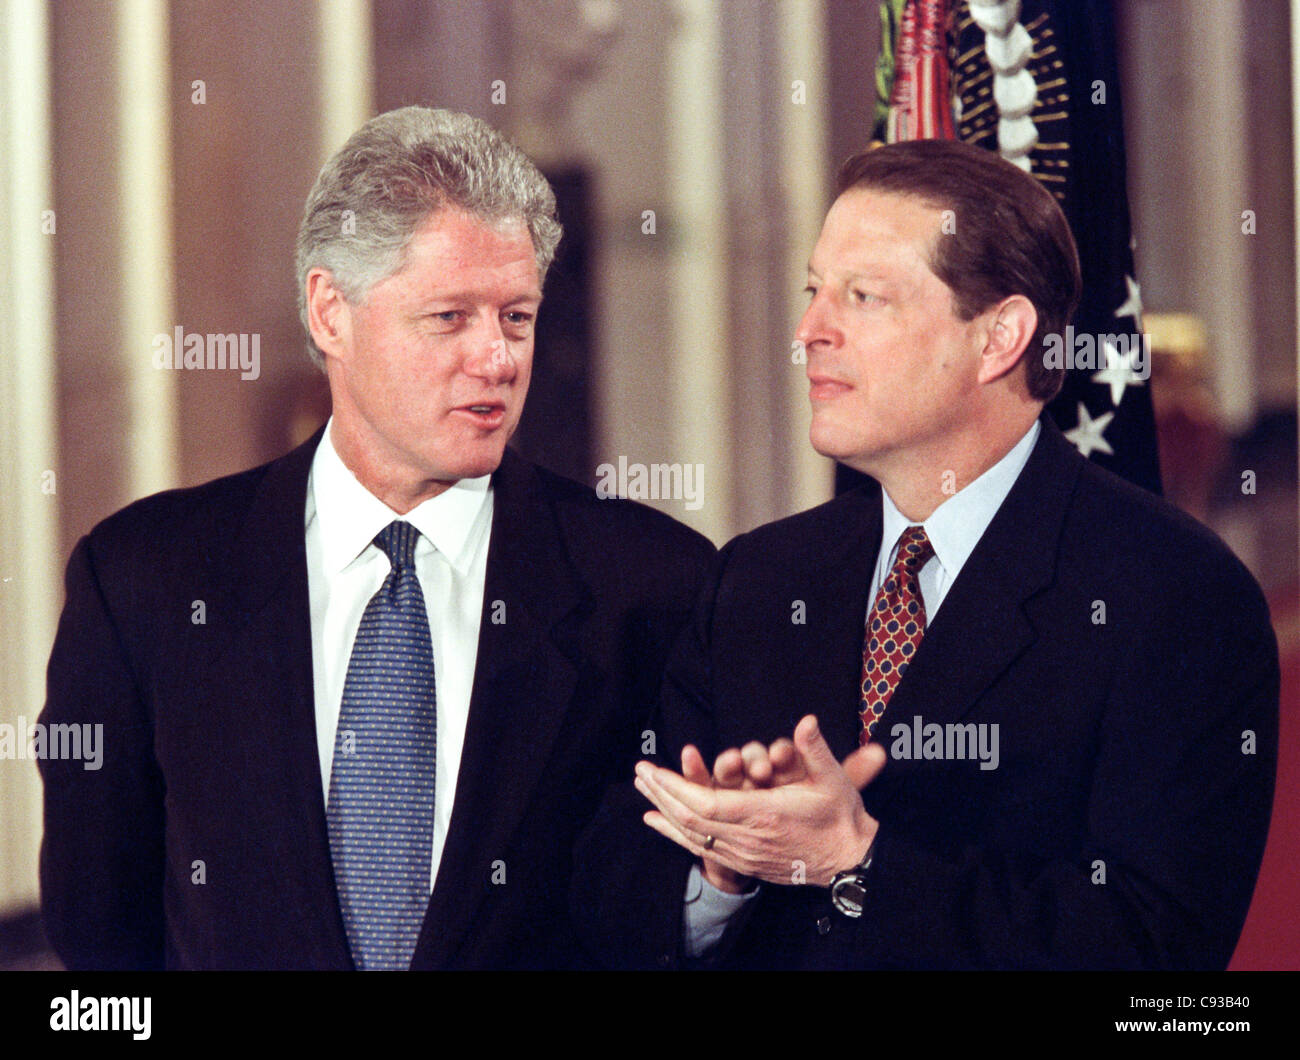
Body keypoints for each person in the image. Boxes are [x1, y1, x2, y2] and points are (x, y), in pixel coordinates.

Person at [573, 138, 1279, 970]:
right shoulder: (756, 581)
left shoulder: (1176, 596)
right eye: (812, 291)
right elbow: (612, 909)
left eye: (863, 297)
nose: (809, 332)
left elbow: (1153, 956)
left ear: (999, 337)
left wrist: (857, 861)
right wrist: (724, 871)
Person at [38, 106, 714, 970]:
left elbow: (652, 918)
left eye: (517, 316)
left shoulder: (654, 586)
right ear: (331, 313)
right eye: (449, 318)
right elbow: (101, 930)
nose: (498, 358)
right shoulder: (145, 580)